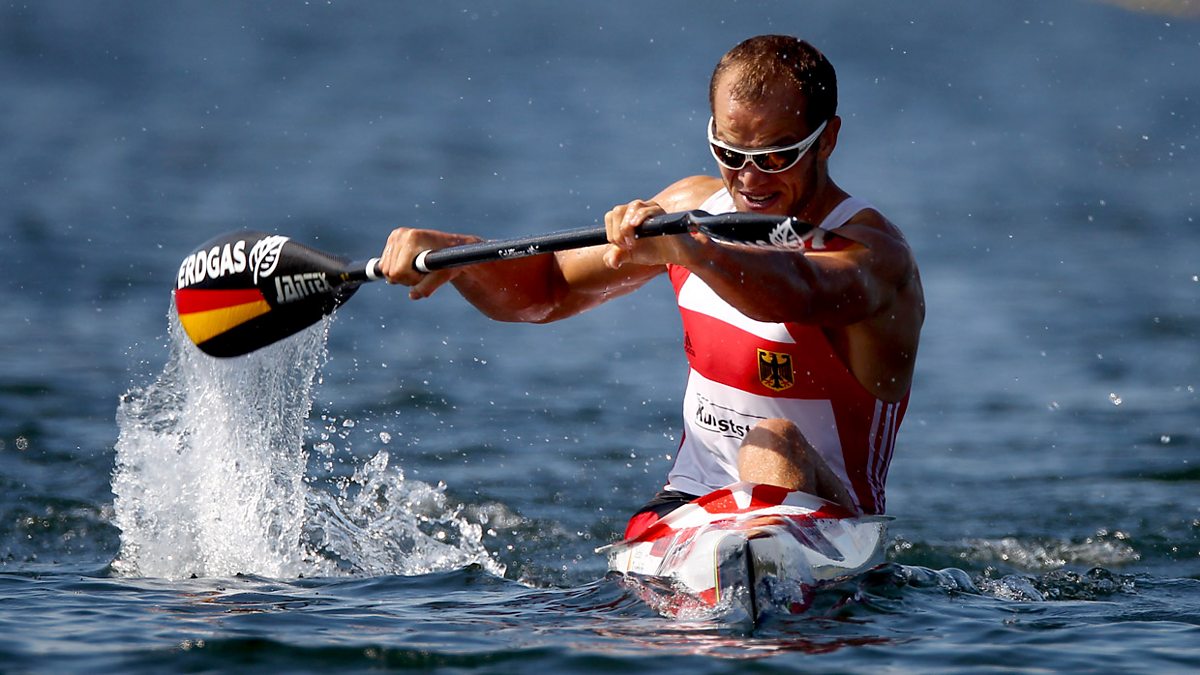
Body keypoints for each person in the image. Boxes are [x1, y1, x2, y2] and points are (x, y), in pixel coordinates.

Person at [378, 35, 924, 540]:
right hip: (690, 507)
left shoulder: (875, 255)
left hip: (830, 527)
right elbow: (546, 290)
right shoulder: (691, 209)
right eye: (731, 154)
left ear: (826, 139)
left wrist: (693, 251)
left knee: (771, 439)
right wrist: (454, 257)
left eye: (777, 156)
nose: (751, 181)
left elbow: (797, 291)